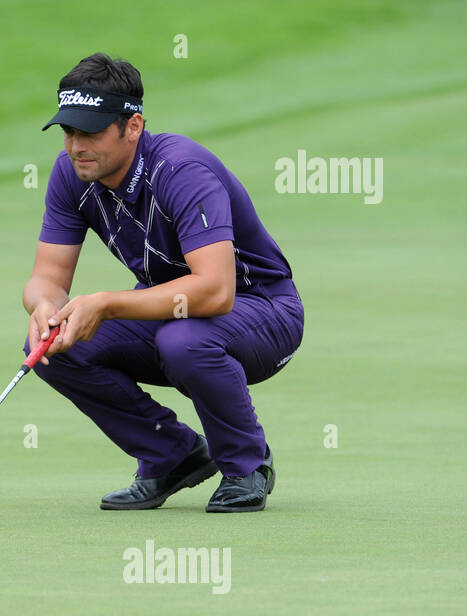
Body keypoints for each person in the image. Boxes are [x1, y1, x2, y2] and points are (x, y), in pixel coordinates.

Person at [22, 52, 304, 512]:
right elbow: (46, 279)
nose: (76, 146)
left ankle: (246, 465)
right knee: (57, 345)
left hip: (264, 310)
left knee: (183, 341)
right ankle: (172, 453)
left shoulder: (181, 169)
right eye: (69, 131)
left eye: (90, 131)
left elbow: (215, 290)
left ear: (132, 126)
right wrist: (42, 307)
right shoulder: (71, 174)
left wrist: (108, 304)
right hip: (177, 312)